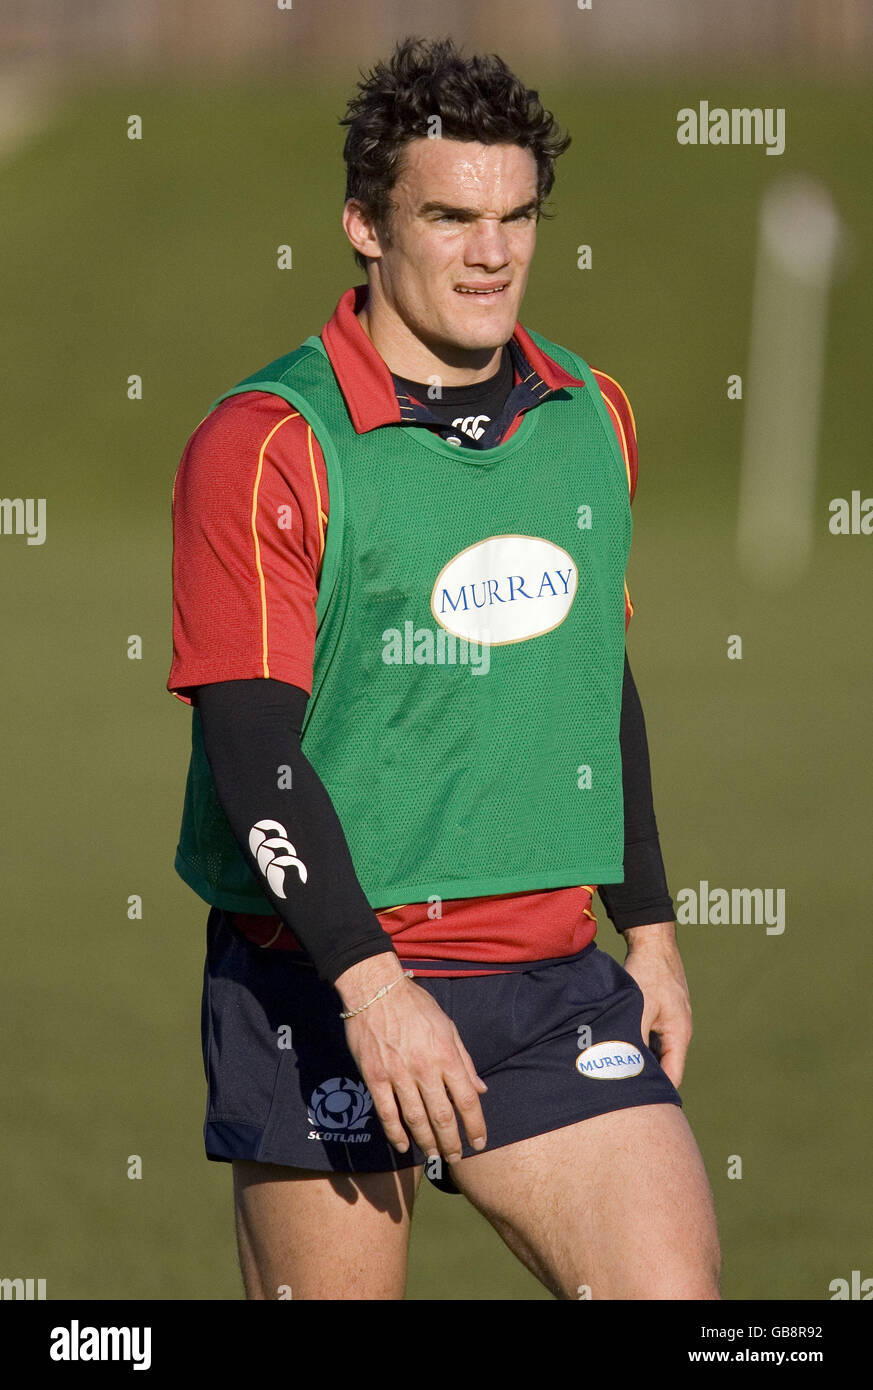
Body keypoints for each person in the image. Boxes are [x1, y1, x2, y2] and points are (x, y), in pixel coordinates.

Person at [167, 35, 721, 1301]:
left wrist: (652, 928)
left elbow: (596, 683)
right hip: (321, 973)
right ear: (365, 224)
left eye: (518, 215)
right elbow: (252, 752)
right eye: (452, 215)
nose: (493, 252)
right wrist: (371, 984)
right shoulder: (264, 444)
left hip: (543, 975)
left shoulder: (593, 414)